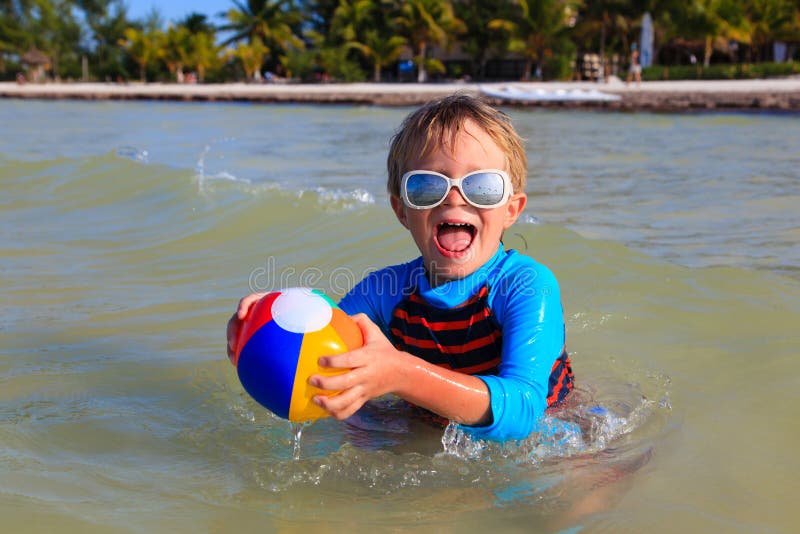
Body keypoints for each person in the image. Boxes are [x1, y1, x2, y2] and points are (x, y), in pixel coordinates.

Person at [226, 94, 573, 442]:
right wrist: (266, 324)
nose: (454, 198)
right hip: (431, 427)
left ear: (512, 210)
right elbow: (323, 346)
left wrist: (401, 374)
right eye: (427, 186)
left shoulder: (525, 286)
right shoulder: (384, 293)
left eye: (482, 186)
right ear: (402, 211)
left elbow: (524, 412)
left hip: (551, 436)